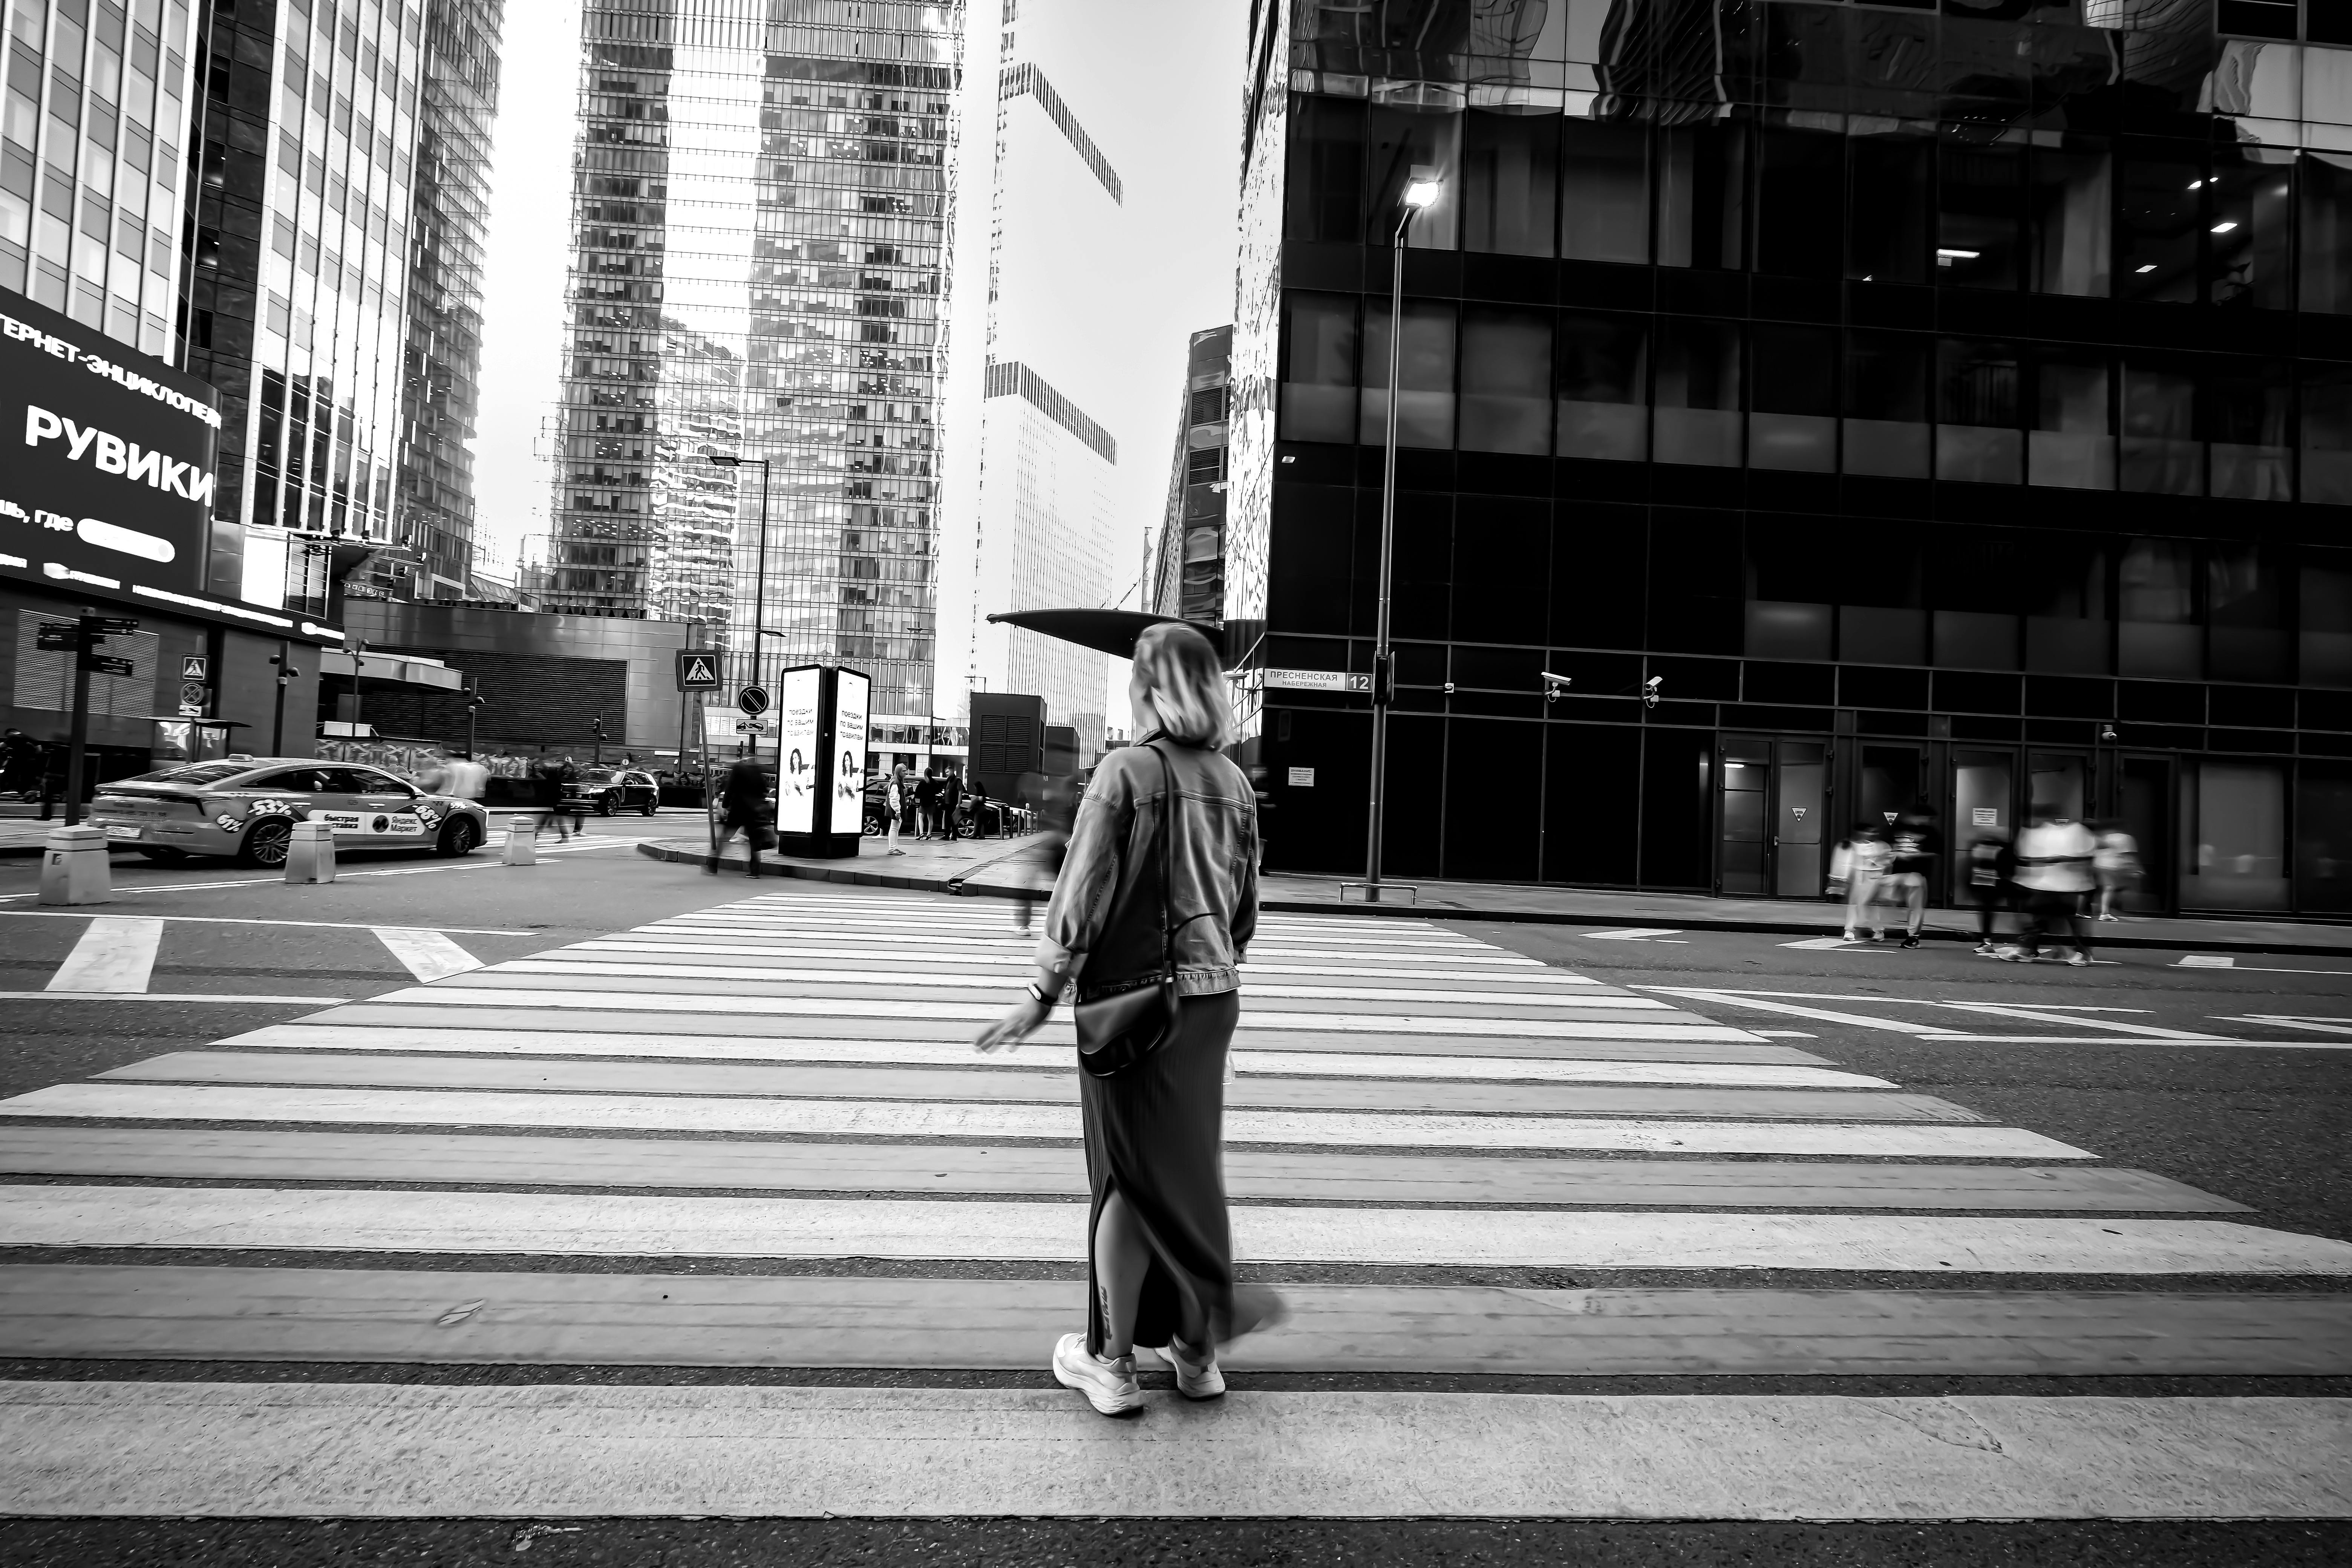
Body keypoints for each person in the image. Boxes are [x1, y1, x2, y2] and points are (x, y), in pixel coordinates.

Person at [974, 620, 1278, 1416]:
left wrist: (1040, 995)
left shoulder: (1126, 771)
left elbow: (1080, 894)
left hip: (1132, 1005)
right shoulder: (1235, 783)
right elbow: (1245, 913)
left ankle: (1109, 1362)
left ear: (1147, 688)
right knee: (1184, 1174)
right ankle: (1194, 1349)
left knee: (1127, 1179)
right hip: (1213, 1004)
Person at [2007, 807, 2098, 965]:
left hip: (2062, 888)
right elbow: (2024, 858)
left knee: (2050, 922)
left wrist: (2053, 860)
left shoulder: (2069, 832)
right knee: (2045, 921)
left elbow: (2082, 857)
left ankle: (2071, 953)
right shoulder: (2034, 834)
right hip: (2045, 887)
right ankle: (2028, 950)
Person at [1880, 809, 1940, 950]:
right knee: (1881, 893)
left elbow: (1935, 852)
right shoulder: (1898, 827)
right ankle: (1878, 928)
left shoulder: (1931, 832)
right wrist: (1895, 854)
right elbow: (1889, 846)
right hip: (1897, 873)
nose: (1925, 822)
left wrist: (1916, 855)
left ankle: (1913, 937)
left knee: (1915, 907)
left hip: (1917, 874)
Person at [709, 757, 771, 877]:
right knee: (753, 841)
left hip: (739, 809)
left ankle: (713, 865)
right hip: (753, 811)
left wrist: (726, 806)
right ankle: (755, 871)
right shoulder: (757, 771)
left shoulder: (737, 769)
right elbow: (764, 790)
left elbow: (730, 788)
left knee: (725, 836)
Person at [1964, 827, 2016, 956]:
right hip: (1986, 885)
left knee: (1988, 912)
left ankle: (1987, 942)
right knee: (1987, 912)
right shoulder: (1986, 847)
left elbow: (2008, 868)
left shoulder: (2001, 849)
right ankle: (1987, 941)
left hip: (1993, 885)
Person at [1838, 823, 1891, 942]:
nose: (1871, 834)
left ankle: (1878, 931)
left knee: (1872, 905)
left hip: (1876, 877)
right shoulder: (1852, 845)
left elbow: (1888, 864)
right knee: (1854, 904)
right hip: (1859, 876)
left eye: (1873, 832)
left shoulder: (1882, 846)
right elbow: (1847, 863)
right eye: (1868, 832)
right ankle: (1850, 931)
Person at [2093, 821, 2141, 921]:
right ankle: (2104, 912)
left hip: (2099, 863)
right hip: (2113, 865)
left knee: (2108, 887)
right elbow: (2128, 855)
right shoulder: (2126, 838)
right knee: (2110, 887)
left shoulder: (2107, 837)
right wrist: (2136, 868)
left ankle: (2102, 908)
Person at [532, 755, 567, 841]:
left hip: (550, 805)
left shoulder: (548, 782)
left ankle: (536, 835)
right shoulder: (558, 782)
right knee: (557, 821)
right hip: (556, 804)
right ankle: (565, 836)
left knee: (544, 821)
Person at [883, 764, 909, 856]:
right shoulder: (896, 782)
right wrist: (898, 811)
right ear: (899, 772)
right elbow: (894, 798)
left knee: (895, 828)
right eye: (904, 771)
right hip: (895, 809)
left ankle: (894, 848)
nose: (906, 773)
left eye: (906, 771)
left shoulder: (895, 781)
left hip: (895, 808)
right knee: (894, 828)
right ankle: (892, 848)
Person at [559, 755, 586, 837]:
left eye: (570, 769)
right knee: (579, 814)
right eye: (568, 769)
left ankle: (576, 831)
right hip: (567, 798)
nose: (569, 771)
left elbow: (575, 786)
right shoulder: (564, 776)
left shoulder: (572, 776)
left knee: (580, 814)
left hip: (572, 798)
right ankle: (572, 832)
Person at [915, 767, 943, 839]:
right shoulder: (935, 782)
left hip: (924, 803)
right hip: (932, 802)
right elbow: (940, 790)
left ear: (925, 773)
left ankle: (921, 833)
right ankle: (929, 833)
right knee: (931, 819)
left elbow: (917, 792)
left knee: (920, 818)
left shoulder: (923, 782)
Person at [938, 766, 963, 840]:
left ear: (953, 772)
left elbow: (960, 792)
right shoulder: (948, 780)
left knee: (954, 821)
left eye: (948, 772)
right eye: (946, 772)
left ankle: (954, 836)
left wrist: (958, 803)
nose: (947, 774)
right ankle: (947, 835)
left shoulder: (957, 780)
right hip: (947, 804)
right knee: (947, 821)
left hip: (954, 803)